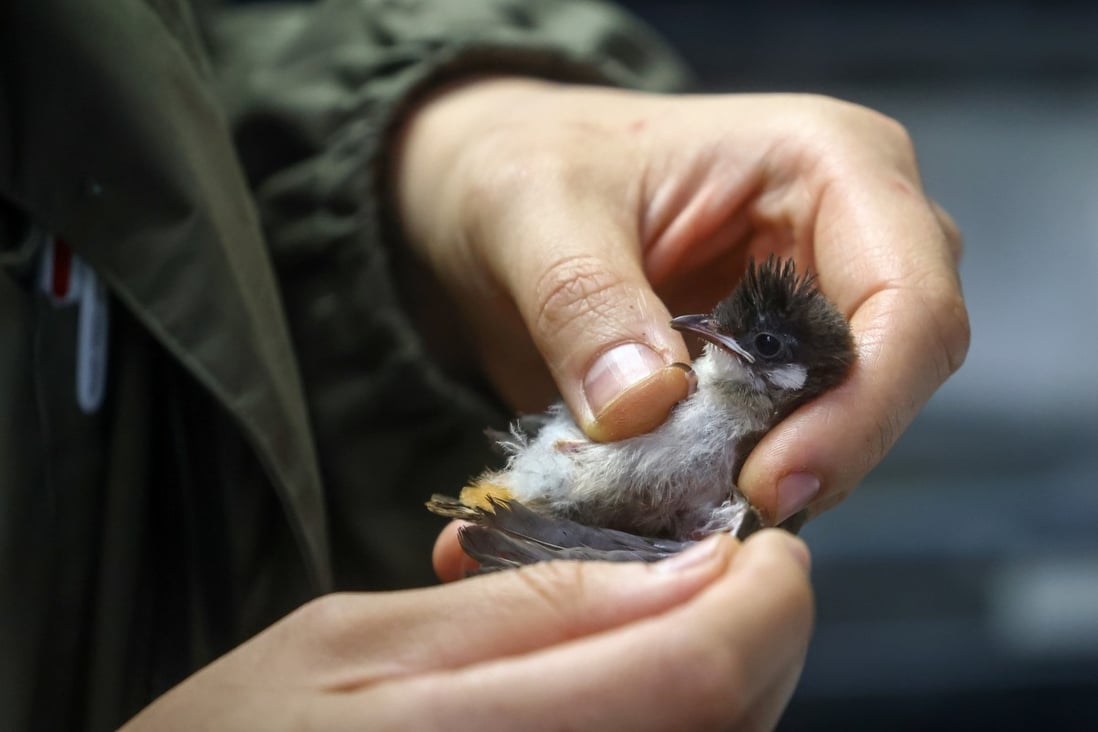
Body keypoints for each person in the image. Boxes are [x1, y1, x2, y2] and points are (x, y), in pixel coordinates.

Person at [0, 0, 968, 729]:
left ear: (787, 379)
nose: (706, 335)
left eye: (746, 342)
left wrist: (434, 147)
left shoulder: (735, 463)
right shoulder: (702, 401)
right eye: (721, 327)